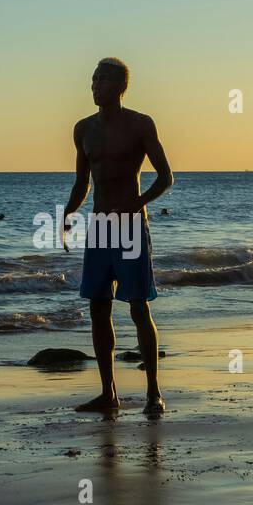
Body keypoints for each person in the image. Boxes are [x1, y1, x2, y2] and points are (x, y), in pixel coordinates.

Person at [61, 57, 174, 416]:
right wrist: (67, 214)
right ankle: (108, 394)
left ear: (121, 87)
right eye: (93, 79)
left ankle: (153, 393)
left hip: (130, 227)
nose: (95, 85)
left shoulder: (140, 124)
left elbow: (165, 177)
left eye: (103, 79)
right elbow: (83, 182)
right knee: (97, 307)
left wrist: (136, 203)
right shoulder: (82, 129)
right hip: (100, 226)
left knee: (138, 307)